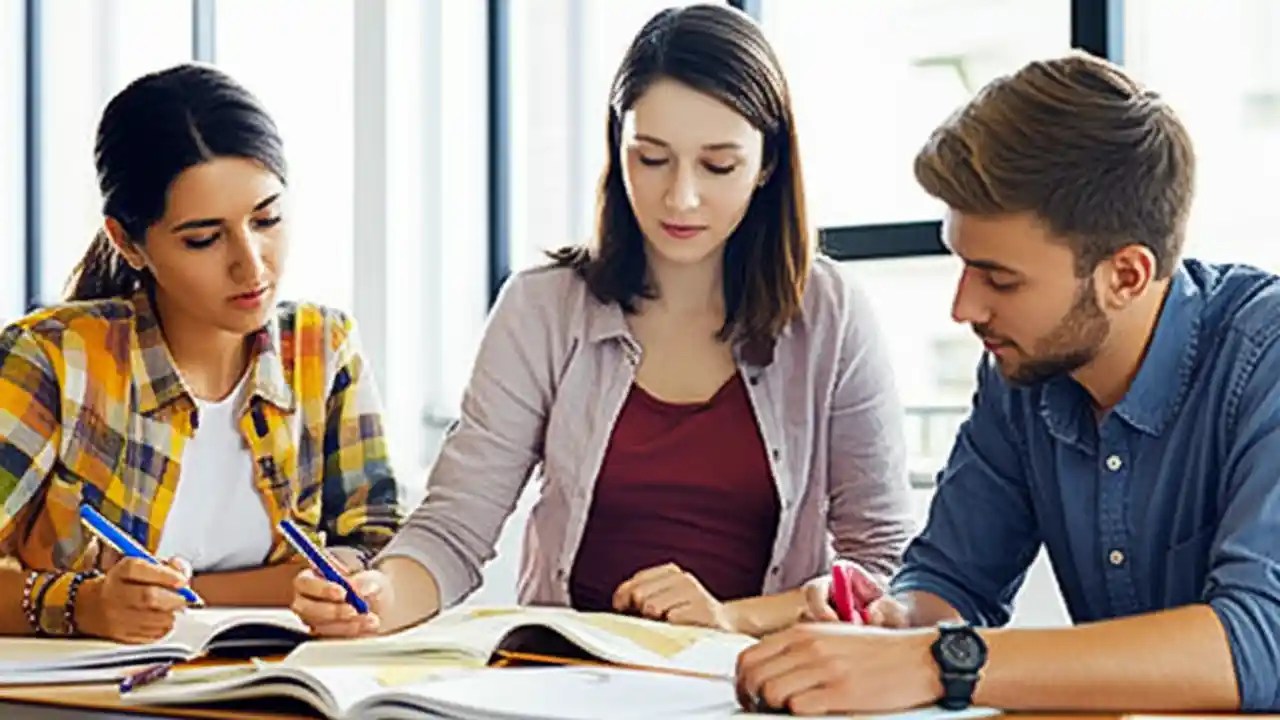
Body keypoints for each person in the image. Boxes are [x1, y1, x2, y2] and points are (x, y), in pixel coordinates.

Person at [292, 3, 914, 639]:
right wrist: (376, 597)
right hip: (566, 672)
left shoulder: (832, 317)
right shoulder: (541, 307)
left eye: (718, 165)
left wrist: (731, 619)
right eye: (651, 158)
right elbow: (454, 528)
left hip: (758, 678)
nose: (682, 197)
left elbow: (887, 567)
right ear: (618, 147)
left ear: (768, 164)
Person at [735, 51, 1280, 715]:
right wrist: (887, 623)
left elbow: (1260, 641)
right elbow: (950, 581)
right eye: (963, 265)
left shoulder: (1264, 358)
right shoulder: (1021, 373)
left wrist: (942, 664)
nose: (964, 308)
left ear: (1126, 276)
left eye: (1001, 279)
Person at [0, 64, 406, 644]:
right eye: (203, 239)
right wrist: (84, 603)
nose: (252, 264)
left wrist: (356, 586)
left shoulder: (322, 348)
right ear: (128, 242)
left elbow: (376, 540)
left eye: (267, 220)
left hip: (273, 685)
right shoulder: (53, 361)